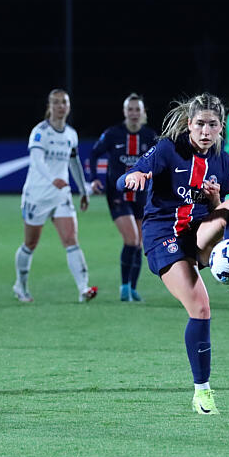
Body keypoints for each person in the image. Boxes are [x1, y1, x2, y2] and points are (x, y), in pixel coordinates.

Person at [119, 93, 229, 415]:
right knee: (201, 308)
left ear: (221, 127)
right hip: (164, 236)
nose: (206, 131)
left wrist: (216, 199)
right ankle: (201, 392)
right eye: (200, 124)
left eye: (212, 125)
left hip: (196, 232)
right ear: (189, 124)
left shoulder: (222, 161)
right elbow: (126, 177)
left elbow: (219, 210)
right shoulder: (168, 149)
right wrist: (134, 176)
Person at [13, 89, 100, 303]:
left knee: (71, 240)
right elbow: (37, 161)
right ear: (49, 106)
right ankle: (20, 286)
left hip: (61, 195)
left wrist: (83, 190)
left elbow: (74, 162)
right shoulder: (40, 132)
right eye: (56, 102)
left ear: (68, 107)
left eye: (64, 102)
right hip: (37, 195)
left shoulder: (71, 134)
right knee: (30, 243)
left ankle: (83, 289)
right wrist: (52, 179)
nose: (61, 106)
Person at [88, 93, 158, 302]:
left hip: (142, 195)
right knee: (131, 239)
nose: (134, 113)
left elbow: (160, 162)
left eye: (138, 109)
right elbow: (94, 154)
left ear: (143, 112)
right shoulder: (113, 134)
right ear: (125, 112)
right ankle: (124, 287)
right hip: (117, 194)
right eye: (130, 109)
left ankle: (132, 289)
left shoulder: (150, 136)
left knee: (139, 244)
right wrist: (94, 179)